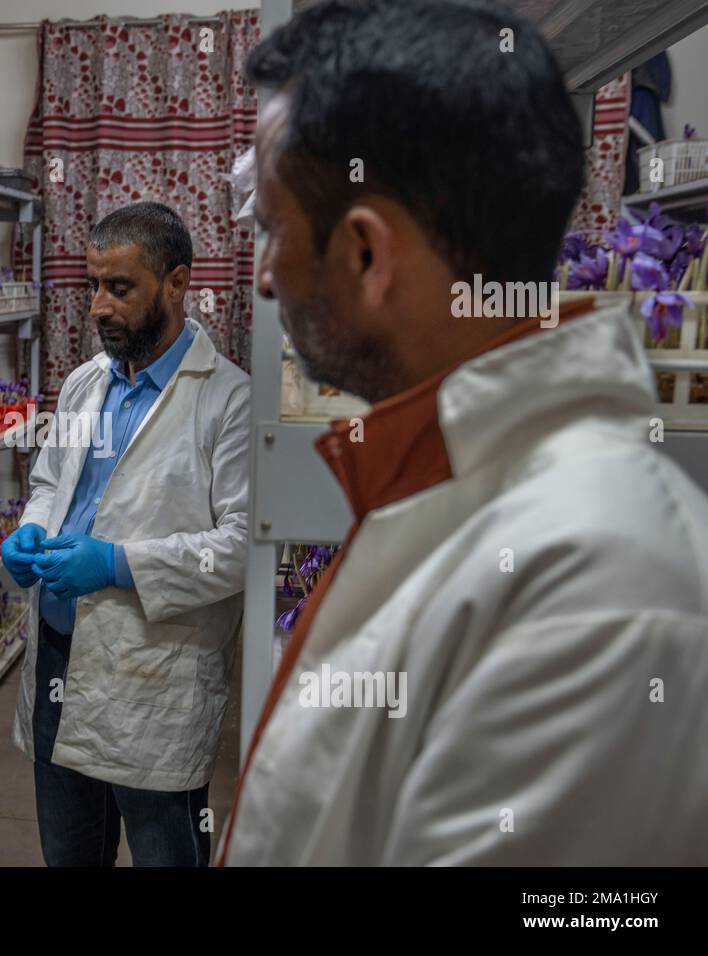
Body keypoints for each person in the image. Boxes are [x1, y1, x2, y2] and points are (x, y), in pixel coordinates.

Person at [221, 0, 708, 865]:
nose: (261, 277)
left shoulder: (602, 587)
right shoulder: (450, 474)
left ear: (368, 257)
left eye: (269, 229)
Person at [0, 201, 251, 866]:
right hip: (60, 652)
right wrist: (30, 533)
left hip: (152, 671)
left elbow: (240, 549)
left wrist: (115, 563)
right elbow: (53, 485)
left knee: (164, 846)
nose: (99, 308)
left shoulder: (229, 401)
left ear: (176, 282)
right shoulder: (86, 386)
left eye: (120, 288)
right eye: (92, 287)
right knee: (71, 850)